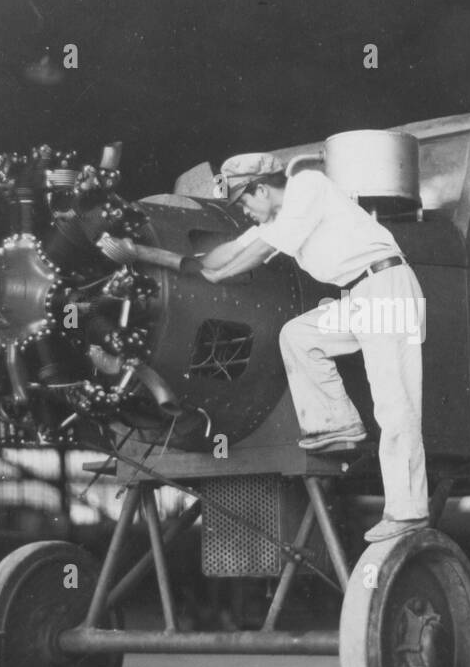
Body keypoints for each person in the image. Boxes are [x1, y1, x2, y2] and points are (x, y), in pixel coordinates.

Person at [99, 153, 428, 542]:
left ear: (260, 188)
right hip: (358, 296)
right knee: (298, 335)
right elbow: (213, 264)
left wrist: (202, 264)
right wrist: (141, 254)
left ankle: (408, 512)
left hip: (387, 289)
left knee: (395, 404)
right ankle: (337, 425)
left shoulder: (308, 187)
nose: (245, 211)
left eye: (243, 202)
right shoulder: (275, 222)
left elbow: (230, 266)